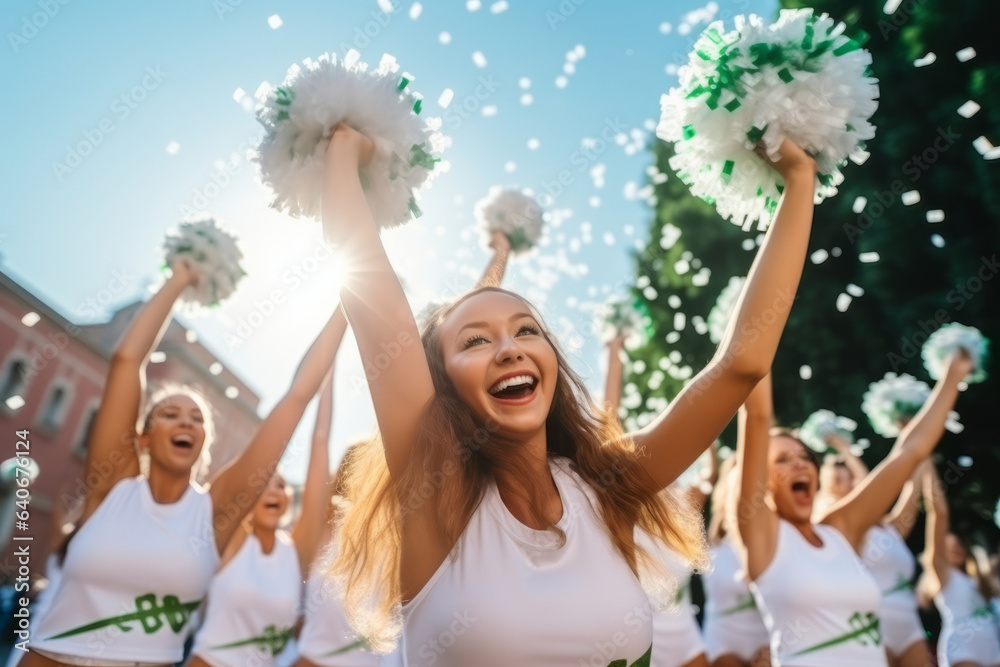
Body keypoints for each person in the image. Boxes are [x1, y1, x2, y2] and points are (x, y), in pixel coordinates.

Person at [322, 122, 818, 665]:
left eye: (527, 329)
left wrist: (799, 180)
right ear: (441, 385)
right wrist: (345, 150)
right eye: (475, 341)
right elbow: (377, 307)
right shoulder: (434, 499)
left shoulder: (606, 487)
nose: (509, 349)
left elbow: (740, 366)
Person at [25, 260, 349, 667]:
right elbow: (127, 360)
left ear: (204, 445)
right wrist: (178, 280)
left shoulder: (215, 513)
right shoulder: (111, 487)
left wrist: (345, 305)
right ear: (142, 437)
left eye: (197, 419)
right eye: (169, 413)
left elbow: (298, 395)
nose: (185, 421)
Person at [736, 353, 973, 666]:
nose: (799, 462)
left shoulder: (839, 530)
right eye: (782, 460)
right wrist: (759, 336)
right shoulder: (764, 538)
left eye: (805, 456)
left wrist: (952, 377)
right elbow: (758, 417)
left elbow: (910, 451)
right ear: (763, 483)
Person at [187, 315, 348, 667]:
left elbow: (320, 442)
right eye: (265, 484)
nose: (274, 490)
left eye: (282, 484)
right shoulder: (228, 539)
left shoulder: (297, 552)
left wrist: (329, 366)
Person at [920, 462, 1000, 667]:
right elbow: (938, 515)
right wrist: (925, 462)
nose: (955, 549)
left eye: (959, 545)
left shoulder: (981, 576)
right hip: (962, 648)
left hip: (993, 645)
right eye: (949, 547)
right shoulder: (942, 575)